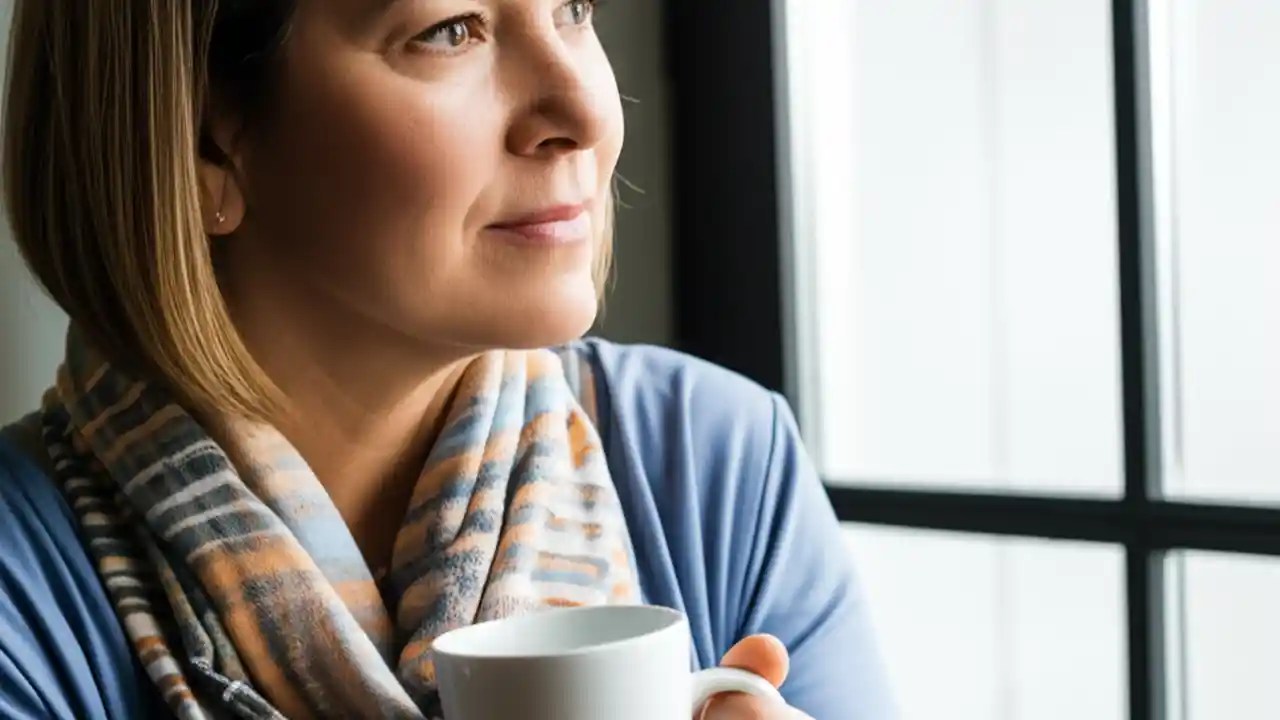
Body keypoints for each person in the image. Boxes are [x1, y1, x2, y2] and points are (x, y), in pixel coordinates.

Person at [0, 1, 893, 718]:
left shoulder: (717, 468)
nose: (585, 113)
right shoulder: (23, 590)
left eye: (574, 8)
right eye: (450, 30)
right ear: (201, 138)